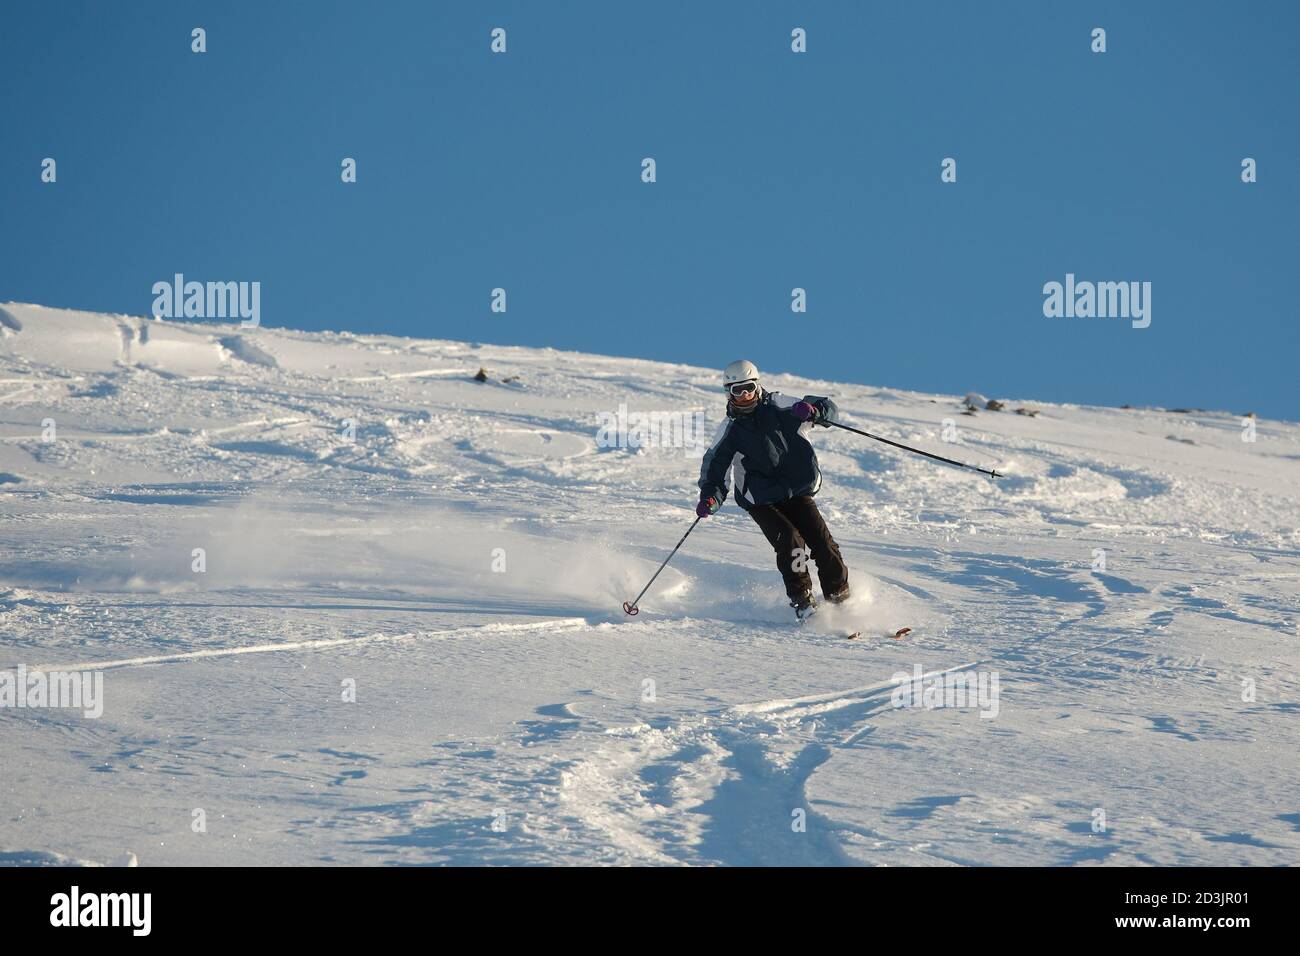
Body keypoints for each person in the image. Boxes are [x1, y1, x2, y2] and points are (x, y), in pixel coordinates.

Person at [695, 359, 850, 620]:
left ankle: (840, 599)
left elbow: (828, 410)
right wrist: (711, 497)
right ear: (728, 393)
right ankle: (803, 601)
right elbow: (715, 470)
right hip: (761, 499)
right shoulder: (730, 430)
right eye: (737, 390)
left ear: (757, 385)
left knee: (823, 542)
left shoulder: (780, 405)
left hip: (796, 490)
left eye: (748, 387)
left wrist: (813, 410)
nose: (744, 395)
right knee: (790, 541)